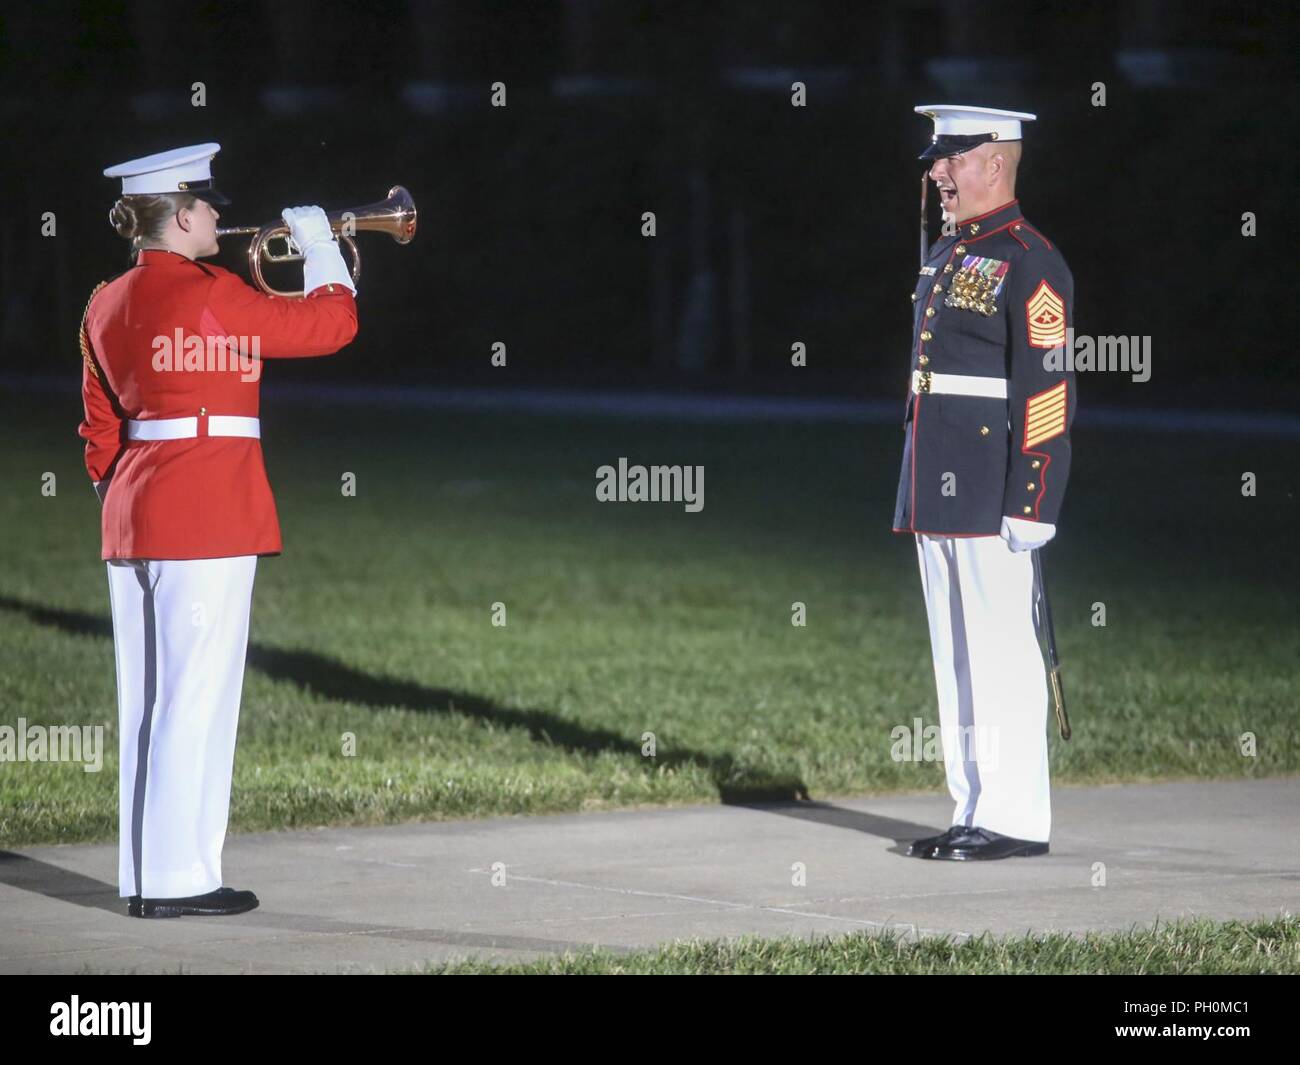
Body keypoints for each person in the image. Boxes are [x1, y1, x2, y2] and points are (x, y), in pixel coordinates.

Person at [80, 142, 359, 916]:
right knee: (195, 698)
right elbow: (331, 327)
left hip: (133, 513)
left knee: (147, 703)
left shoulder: (105, 301)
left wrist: (128, 495)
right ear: (180, 213)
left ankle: (151, 875)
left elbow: (100, 429)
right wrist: (323, 250)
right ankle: (178, 879)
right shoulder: (212, 291)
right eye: (208, 207)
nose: (219, 217)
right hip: (205, 513)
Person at [892, 107, 1076, 860]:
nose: (937, 171)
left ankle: (1015, 817)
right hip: (937, 487)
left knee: (1001, 651)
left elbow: (1048, 390)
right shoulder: (950, 253)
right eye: (938, 158)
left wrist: (1034, 499)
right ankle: (973, 806)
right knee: (957, 655)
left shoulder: (1032, 261)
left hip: (992, 488)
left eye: (952, 157)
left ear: (993, 163)